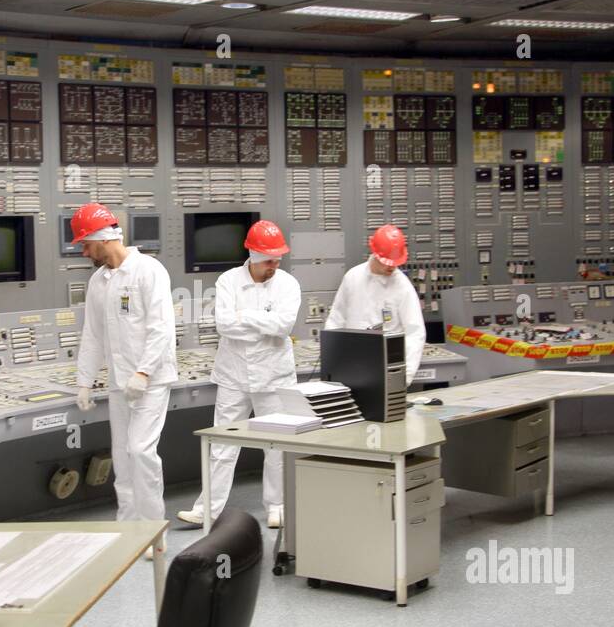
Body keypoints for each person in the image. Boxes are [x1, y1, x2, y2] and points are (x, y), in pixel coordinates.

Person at [178, 220, 301, 530]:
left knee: (277, 445)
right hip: (234, 375)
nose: (274, 265)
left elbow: (284, 326)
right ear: (252, 253)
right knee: (222, 443)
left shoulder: (288, 284)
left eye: (278, 258)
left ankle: (278, 505)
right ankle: (208, 508)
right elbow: (224, 325)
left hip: (275, 376)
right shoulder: (228, 281)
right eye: (269, 259)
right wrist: (264, 323)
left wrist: (244, 316)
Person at [71, 203, 177, 557]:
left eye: (85, 245)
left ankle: (153, 532)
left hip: (151, 380)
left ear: (102, 238)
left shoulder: (149, 271)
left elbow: (161, 327)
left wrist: (144, 372)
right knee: (122, 455)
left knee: (141, 451)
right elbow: (93, 335)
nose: (84, 252)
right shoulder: (98, 281)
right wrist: (85, 380)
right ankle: (128, 529)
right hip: (120, 382)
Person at [325, 224, 425, 384]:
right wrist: (331, 362)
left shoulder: (402, 287)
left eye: (395, 262)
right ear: (375, 253)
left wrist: (405, 376)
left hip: (386, 368)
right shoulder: (353, 277)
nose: (391, 266)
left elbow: (415, 332)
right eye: (387, 261)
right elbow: (336, 320)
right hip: (351, 364)